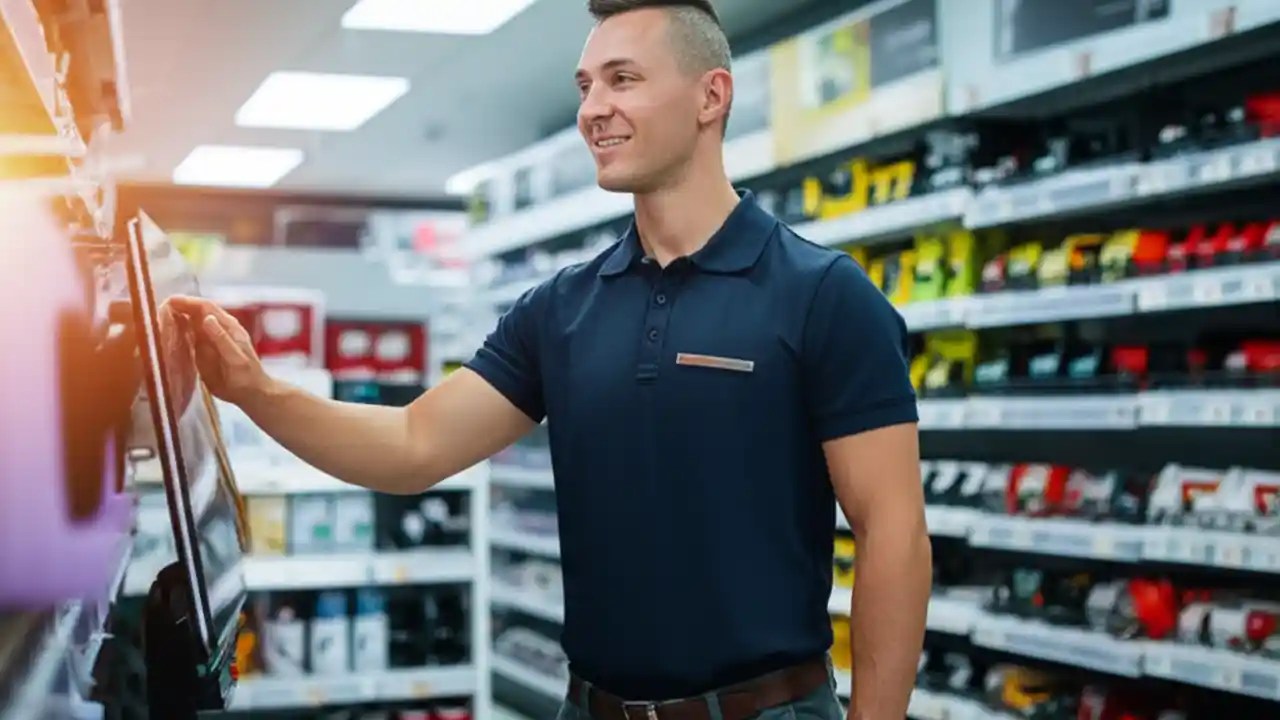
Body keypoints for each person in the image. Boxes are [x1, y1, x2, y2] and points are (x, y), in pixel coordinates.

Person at [172, 0, 932, 718]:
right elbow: (412, 447)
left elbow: (890, 526)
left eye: (623, 79)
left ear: (712, 97)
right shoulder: (561, 309)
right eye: (586, 85)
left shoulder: (824, 296)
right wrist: (257, 392)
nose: (593, 107)